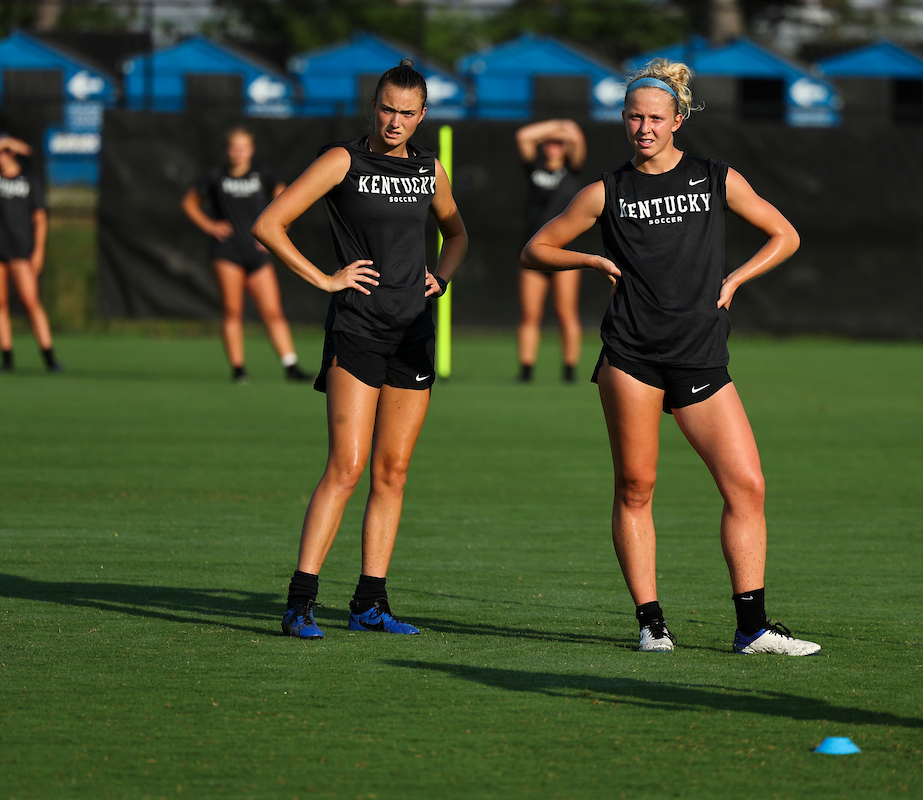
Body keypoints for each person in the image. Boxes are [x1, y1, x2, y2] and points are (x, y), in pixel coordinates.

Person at [524, 59, 820, 656]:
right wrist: (592, 261)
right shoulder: (605, 190)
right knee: (636, 487)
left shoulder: (715, 178)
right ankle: (651, 624)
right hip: (631, 356)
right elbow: (536, 250)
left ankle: (752, 628)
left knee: (747, 486)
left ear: (678, 120)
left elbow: (784, 235)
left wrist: (736, 278)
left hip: (701, 357)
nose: (644, 127)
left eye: (656, 117)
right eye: (634, 116)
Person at [253, 60, 468, 639]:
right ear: (374, 107)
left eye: (407, 112)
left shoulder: (429, 168)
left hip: (413, 335)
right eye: (387, 108)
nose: (395, 121)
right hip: (358, 332)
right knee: (346, 469)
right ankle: (300, 602)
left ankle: (369, 603)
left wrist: (441, 278)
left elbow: (458, 232)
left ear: (423, 115)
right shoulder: (342, 161)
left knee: (392, 473)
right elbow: (269, 224)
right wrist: (325, 279)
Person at [182, 126, 310, 383]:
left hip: (257, 252)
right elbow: (189, 202)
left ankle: (291, 366)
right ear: (227, 150)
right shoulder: (216, 176)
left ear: (251, 149)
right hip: (227, 252)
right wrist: (209, 225)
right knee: (232, 310)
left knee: (273, 311)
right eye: (233, 147)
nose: (238, 153)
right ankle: (239, 369)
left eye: (243, 147)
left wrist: (276, 232)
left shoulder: (263, 174)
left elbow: (288, 200)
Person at [0, 135, 61, 373]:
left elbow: (40, 219)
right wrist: (4, 141)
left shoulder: (29, 180)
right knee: (0, 304)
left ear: (13, 154)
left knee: (31, 302)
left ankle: (49, 357)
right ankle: (7, 358)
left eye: (5, 151)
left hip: (21, 250)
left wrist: (38, 252)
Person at [515, 119, 586, 383]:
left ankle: (569, 370)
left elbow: (576, 136)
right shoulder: (534, 167)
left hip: (565, 250)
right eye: (549, 142)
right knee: (530, 314)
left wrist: (566, 129)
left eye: (559, 142)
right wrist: (558, 126)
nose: (554, 145)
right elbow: (524, 134)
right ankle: (526, 370)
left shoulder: (573, 169)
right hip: (533, 249)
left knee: (567, 313)